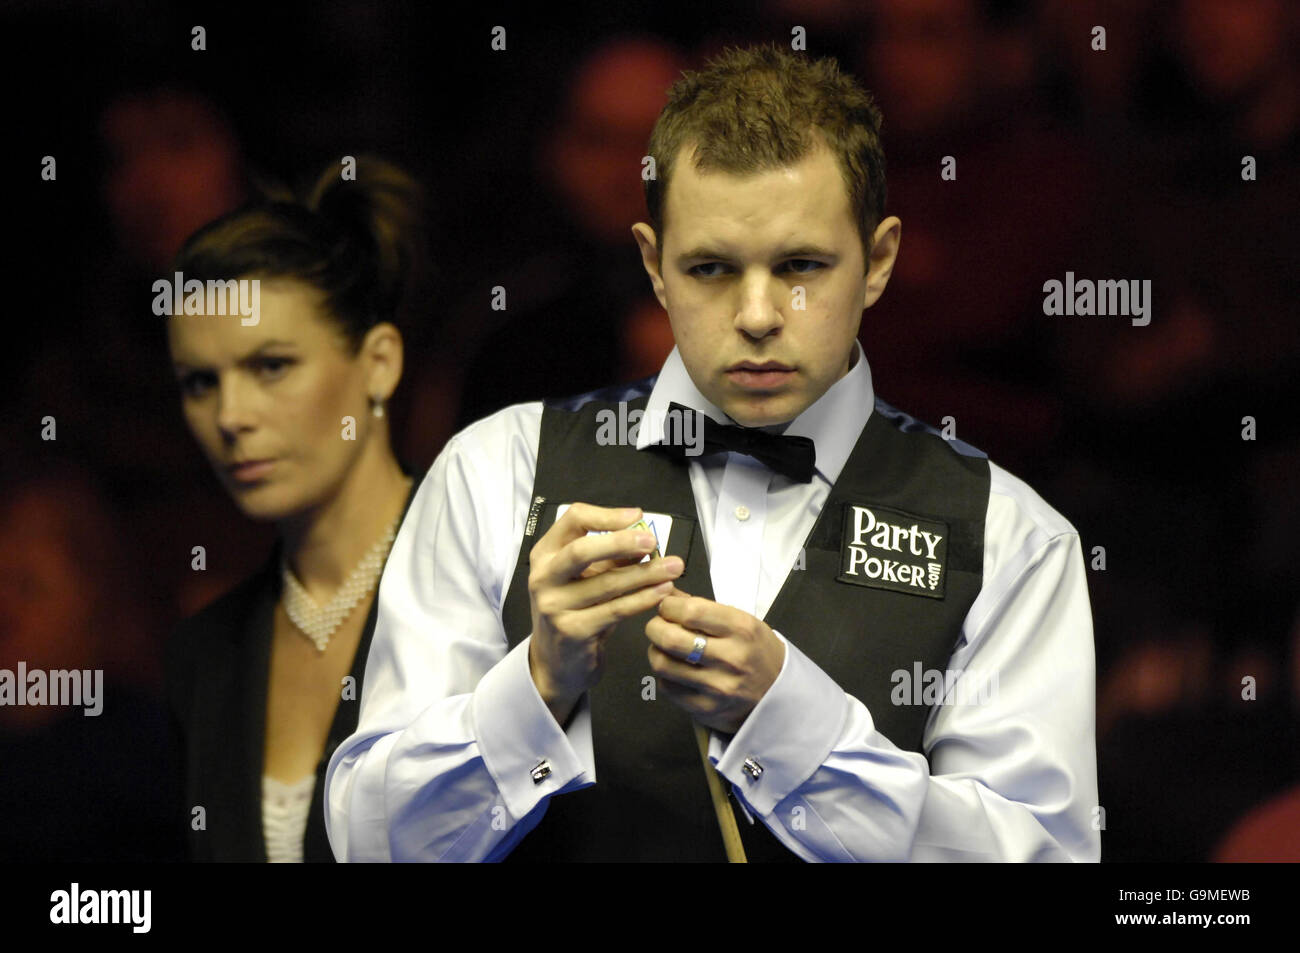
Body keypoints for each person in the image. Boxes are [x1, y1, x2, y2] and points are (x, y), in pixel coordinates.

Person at [325, 44, 1099, 862]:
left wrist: (797, 728)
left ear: (878, 260)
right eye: (710, 269)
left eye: (800, 265)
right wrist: (535, 687)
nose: (758, 314)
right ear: (655, 266)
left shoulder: (1012, 535)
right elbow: (371, 843)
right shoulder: (495, 472)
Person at [163, 156, 428, 862]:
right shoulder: (203, 656)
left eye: (270, 365)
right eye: (199, 381)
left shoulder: (493, 587)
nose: (230, 414)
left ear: (379, 363)